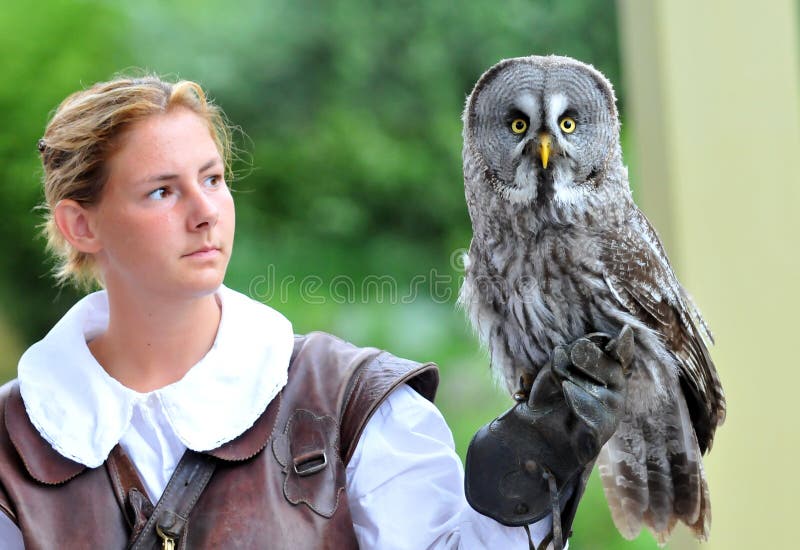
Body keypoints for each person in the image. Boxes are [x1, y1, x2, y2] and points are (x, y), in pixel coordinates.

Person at [0, 75, 628, 549]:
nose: (205, 211)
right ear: (80, 226)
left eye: (213, 179)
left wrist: (512, 501)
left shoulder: (346, 403)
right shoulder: (13, 449)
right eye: (162, 191)